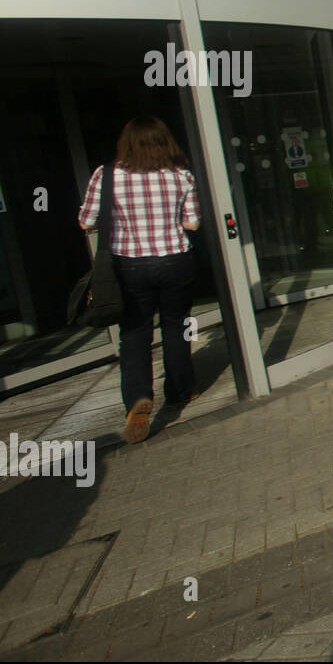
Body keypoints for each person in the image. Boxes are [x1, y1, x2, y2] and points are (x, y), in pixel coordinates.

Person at [77, 116, 201, 444]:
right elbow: (192, 224)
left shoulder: (106, 176)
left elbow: (86, 221)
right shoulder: (180, 175)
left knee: (134, 334)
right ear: (165, 142)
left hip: (130, 264)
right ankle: (180, 390)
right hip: (175, 259)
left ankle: (137, 399)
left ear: (126, 143)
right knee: (176, 326)